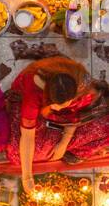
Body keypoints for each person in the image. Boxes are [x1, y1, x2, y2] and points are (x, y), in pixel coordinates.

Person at [6, 57, 109, 193]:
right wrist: (27, 177)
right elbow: (27, 136)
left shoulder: (80, 81)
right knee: (17, 155)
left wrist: (64, 141)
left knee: (104, 127)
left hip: (63, 112)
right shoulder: (33, 96)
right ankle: (57, 138)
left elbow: (77, 109)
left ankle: (69, 149)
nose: (61, 109)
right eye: (59, 106)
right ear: (48, 98)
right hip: (28, 107)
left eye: (66, 104)